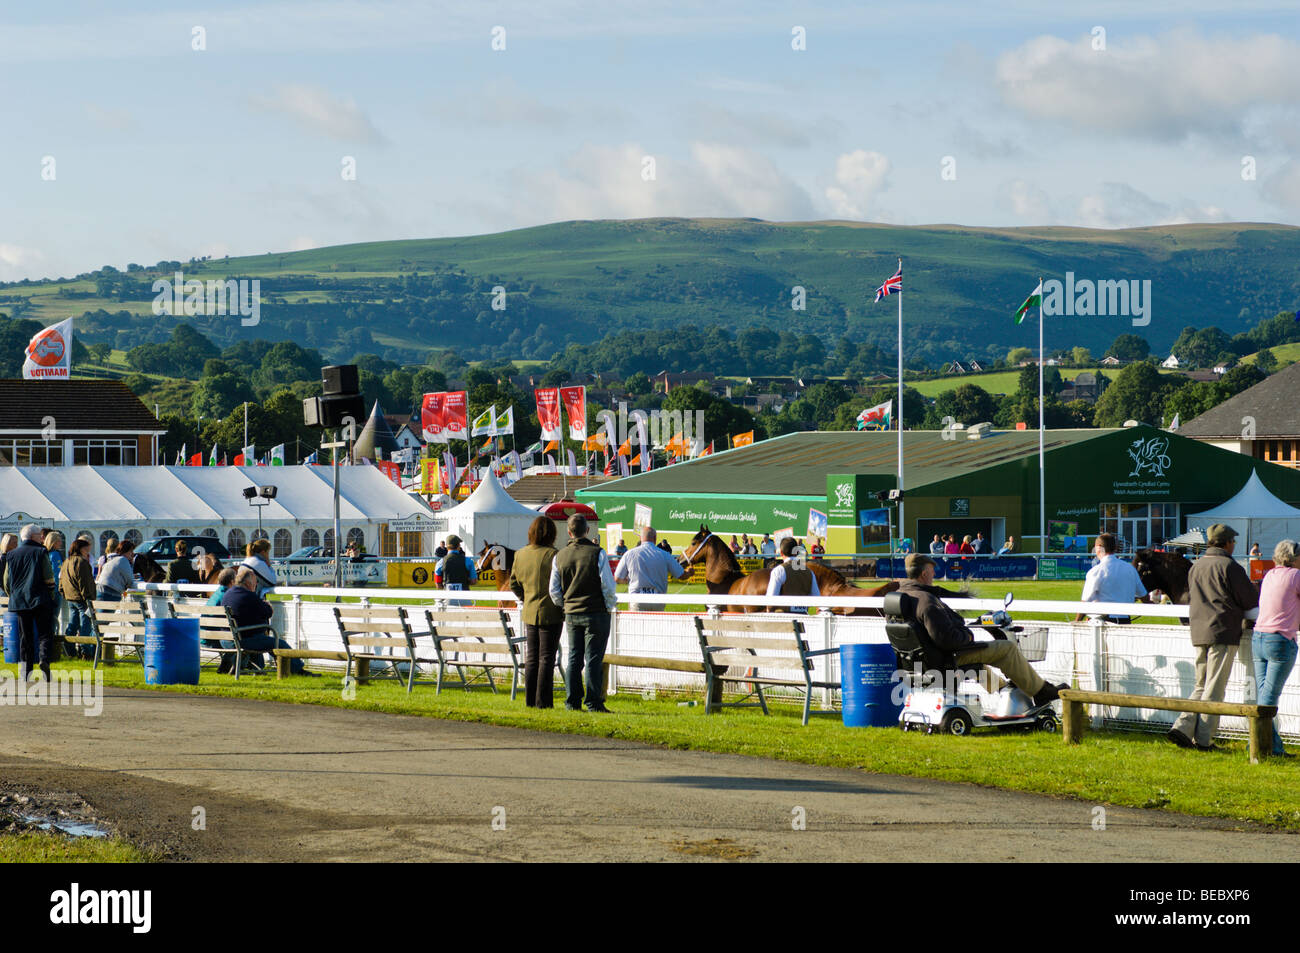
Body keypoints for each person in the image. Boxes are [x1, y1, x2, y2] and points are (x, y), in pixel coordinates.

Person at [898, 552, 1065, 706]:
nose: (934, 574)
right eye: (932, 571)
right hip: (943, 660)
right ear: (924, 574)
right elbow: (947, 640)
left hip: (917, 662)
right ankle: (1040, 691)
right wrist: (968, 636)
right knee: (1006, 648)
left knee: (978, 663)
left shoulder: (901, 596)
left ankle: (1003, 690)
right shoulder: (926, 601)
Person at [1168, 524, 1258, 751]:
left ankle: (1183, 725)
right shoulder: (1230, 566)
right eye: (1233, 541)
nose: (1234, 545)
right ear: (1227, 543)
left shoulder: (1196, 566)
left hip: (1199, 630)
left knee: (1201, 684)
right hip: (1223, 631)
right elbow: (1249, 601)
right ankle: (1204, 740)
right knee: (1215, 687)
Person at [548, 514, 617, 713]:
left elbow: (554, 590)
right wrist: (608, 606)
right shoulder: (598, 553)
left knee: (573, 658)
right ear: (587, 531)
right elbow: (608, 586)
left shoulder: (559, 556)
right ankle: (593, 702)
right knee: (594, 658)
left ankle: (572, 701)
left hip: (571, 613)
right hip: (596, 612)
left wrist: (565, 605)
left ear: (569, 532)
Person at [507, 516, 565, 708]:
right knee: (547, 658)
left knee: (532, 657)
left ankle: (530, 701)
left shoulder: (520, 554)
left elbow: (513, 583)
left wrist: (526, 597)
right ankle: (544, 702)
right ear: (552, 534)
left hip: (529, 611)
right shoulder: (554, 555)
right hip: (551, 612)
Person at [1251, 538, 1300, 757]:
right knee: (1269, 698)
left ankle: (1263, 744)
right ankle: (1266, 748)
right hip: (1280, 640)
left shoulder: (1270, 575)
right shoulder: (1296, 576)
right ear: (1295, 558)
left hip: (1259, 637)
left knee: (1263, 695)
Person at [221, 567, 317, 676]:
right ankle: (298, 670)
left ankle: (258, 669)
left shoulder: (228, 594)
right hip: (243, 640)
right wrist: (267, 606)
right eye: (255, 582)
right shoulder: (249, 596)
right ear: (248, 583)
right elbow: (268, 612)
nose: (256, 584)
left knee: (260, 637)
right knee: (280, 643)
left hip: (227, 639)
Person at [2, 525, 57, 681]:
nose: (42, 538)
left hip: (19, 601)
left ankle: (26, 671)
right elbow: (49, 577)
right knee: (44, 634)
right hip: (40, 598)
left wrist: (13, 594)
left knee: (24, 636)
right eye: (40, 535)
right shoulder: (41, 552)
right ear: (33, 536)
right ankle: (44, 660)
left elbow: (6, 581)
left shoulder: (11, 554)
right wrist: (50, 594)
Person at [1077, 533, 1150, 623]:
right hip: (1125, 622)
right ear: (1115, 547)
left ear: (1099, 547)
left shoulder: (1095, 572)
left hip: (1101, 624)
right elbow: (1144, 597)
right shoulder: (1130, 569)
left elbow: (1085, 603)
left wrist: (1076, 623)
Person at [615, 526, 688, 611]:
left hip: (637, 599)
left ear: (640, 537)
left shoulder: (629, 554)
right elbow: (681, 575)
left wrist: (628, 581)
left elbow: (617, 578)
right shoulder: (665, 554)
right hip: (658, 600)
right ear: (655, 538)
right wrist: (690, 572)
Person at [59, 535, 98, 661]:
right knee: (85, 626)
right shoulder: (81, 562)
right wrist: (89, 598)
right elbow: (85, 582)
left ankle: (69, 649)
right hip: (82, 599)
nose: (88, 551)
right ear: (81, 549)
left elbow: (61, 580)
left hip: (70, 598)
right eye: (87, 548)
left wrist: (63, 593)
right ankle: (85, 652)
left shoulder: (66, 561)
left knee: (73, 625)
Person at [765, 537, 821, 612]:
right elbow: (817, 601)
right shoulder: (810, 572)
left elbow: (770, 603)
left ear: (781, 553)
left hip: (784, 619)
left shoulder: (778, 571)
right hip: (805, 619)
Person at [206, 566, 240, 674]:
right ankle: (242, 666)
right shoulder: (228, 596)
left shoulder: (216, 595)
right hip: (218, 639)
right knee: (242, 637)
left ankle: (228, 666)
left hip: (205, 636)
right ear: (232, 582)